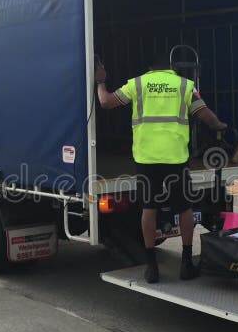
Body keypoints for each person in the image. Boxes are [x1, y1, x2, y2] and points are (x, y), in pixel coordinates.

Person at [96, 53, 227, 284]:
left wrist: (100, 81)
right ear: (171, 69)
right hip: (175, 158)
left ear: (149, 68)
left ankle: (152, 267)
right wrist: (220, 125)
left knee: (149, 208)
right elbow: (204, 114)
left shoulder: (137, 84)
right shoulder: (184, 85)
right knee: (184, 208)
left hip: (146, 158)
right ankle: (186, 263)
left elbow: (106, 102)